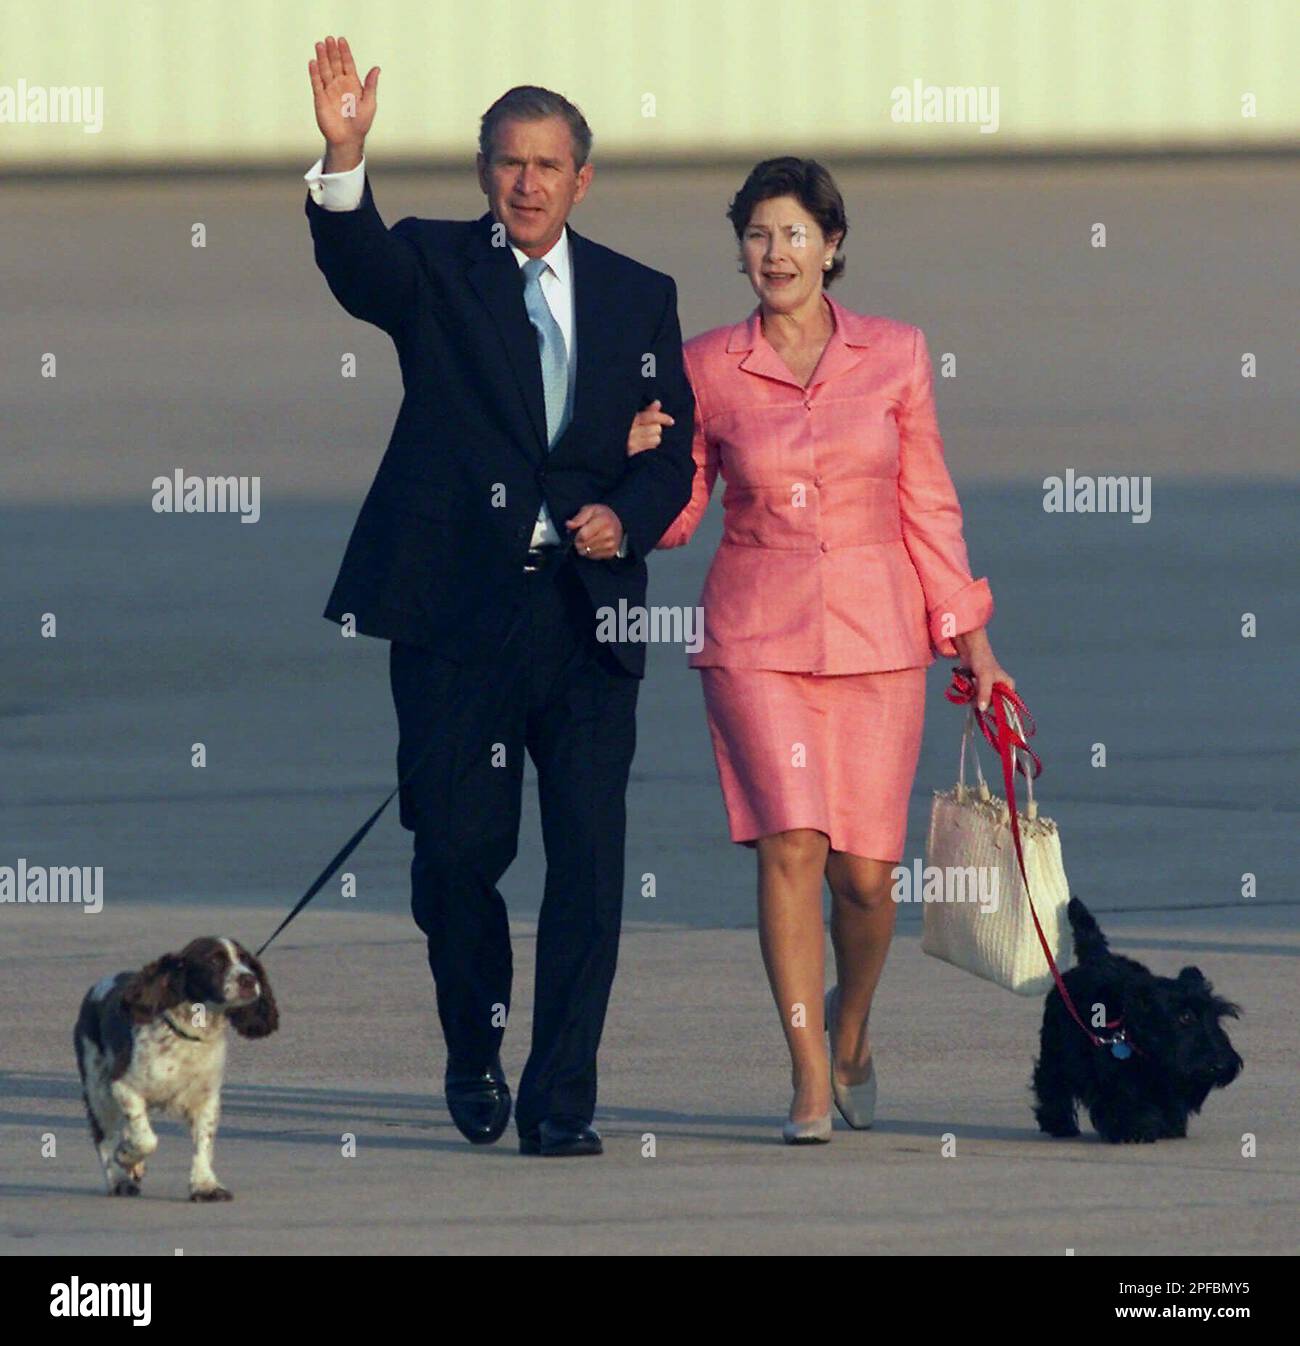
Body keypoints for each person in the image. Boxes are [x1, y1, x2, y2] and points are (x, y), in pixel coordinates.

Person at [305, 37, 694, 1156]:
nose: (527, 183)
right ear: (484, 173)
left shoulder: (637, 295)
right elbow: (356, 268)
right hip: (456, 619)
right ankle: (473, 1042)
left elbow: (674, 453)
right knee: (458, 854)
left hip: (584, 623)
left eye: (548, 164)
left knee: (587, 867)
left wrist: (626, 507)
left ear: (583, 179)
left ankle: (559, 1099)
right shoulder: (434, 265)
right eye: (508, 162)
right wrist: (343, 159)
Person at [628, 158, 1014, 1144]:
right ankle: (806, 1075)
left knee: (865, 877)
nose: (775, 253)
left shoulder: (895, 354)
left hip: (881, 639)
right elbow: (678, 515)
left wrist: (973, 643)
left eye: (794, 233)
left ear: (832, 246)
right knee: (790, 844)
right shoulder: (707, 362)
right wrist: (633, 461)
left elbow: (927, 505)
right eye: (757, 235)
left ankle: (850, 1027)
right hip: (757, 637)